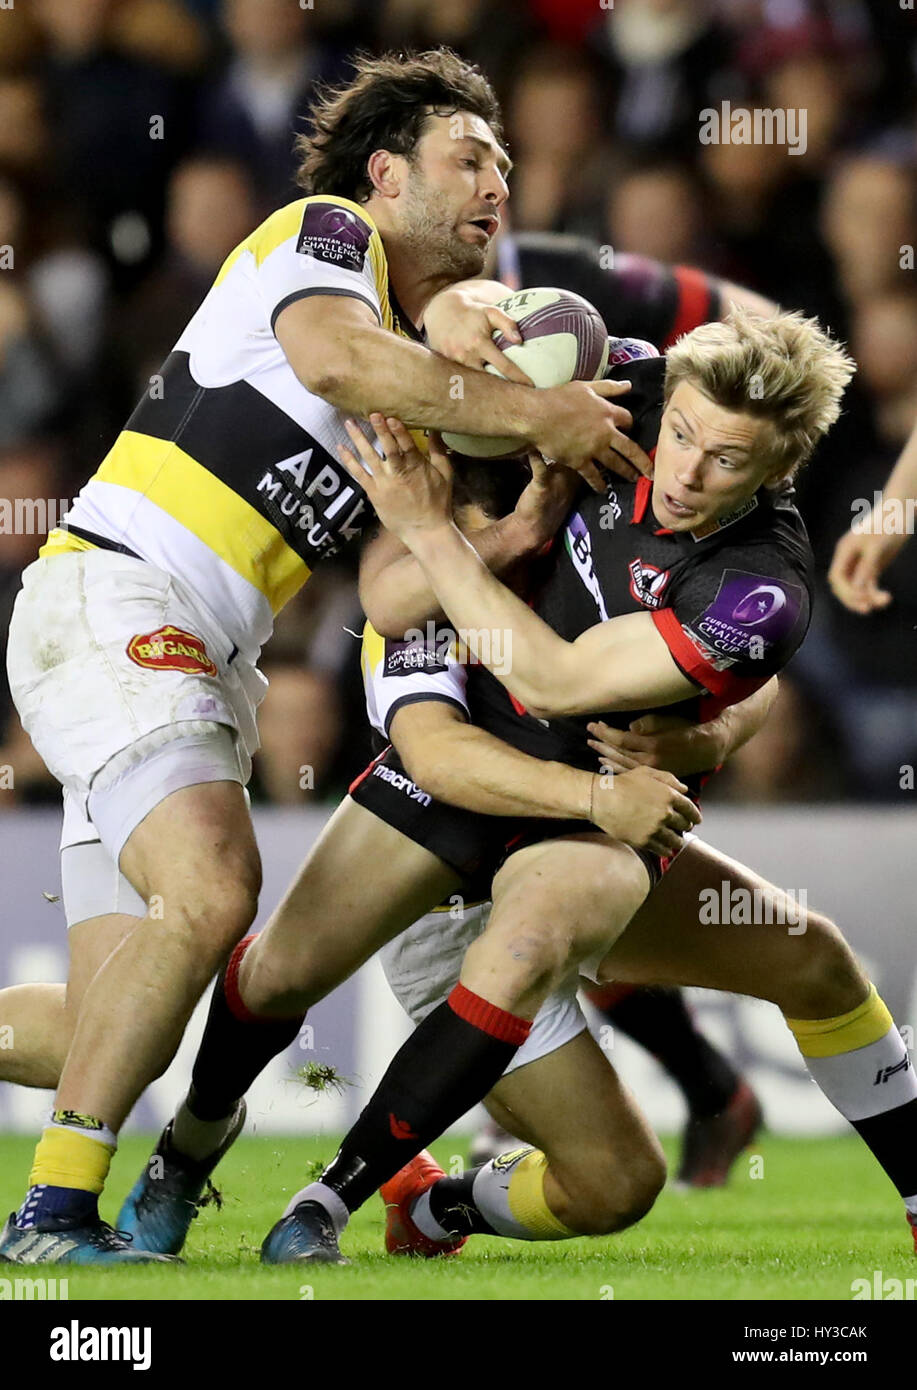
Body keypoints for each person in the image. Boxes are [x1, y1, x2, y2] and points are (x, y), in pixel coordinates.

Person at [0, 47, 645, 1268]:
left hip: (195, 655)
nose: (497, 181)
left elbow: (392, 585)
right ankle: (54, 1216)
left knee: (108, 1017)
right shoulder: (324, 235)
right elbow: (332, 362)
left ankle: (84, 1166)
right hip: (123, 596)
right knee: (215, 892)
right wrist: (536, 413)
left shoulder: (410, 374)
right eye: (470, 157)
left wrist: (502, 527)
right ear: (387, 173)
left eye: (507, 163)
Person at [119, 311, 915, 1267]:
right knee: (283, 972)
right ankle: (196, 1160)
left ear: (779, 469)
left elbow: (565, 682)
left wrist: (704, 728)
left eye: (728, 459)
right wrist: (458, 319)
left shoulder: (758, 586)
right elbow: (409, 642)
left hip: (572, 820)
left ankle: (410, 1205)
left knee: (645, 1150)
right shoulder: (590, 415)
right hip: (475, 778)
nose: (685, 469)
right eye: (682, 435)